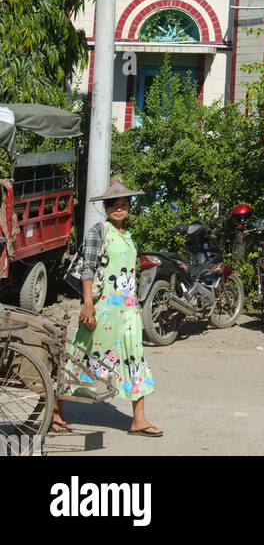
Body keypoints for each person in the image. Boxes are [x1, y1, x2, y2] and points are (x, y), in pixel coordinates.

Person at [54, 177, 161, 437]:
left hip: (128, 312)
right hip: (102, 309)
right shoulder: (99, 231)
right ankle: (56, 411)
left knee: (135, 359)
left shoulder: (128, 235)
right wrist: (87, 304)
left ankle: (138, 420)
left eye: (124, 204)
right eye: (114, 204)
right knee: (80, 357)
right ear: (106, 207)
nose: (119, 208)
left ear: (129, 207)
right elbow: (88, 268)